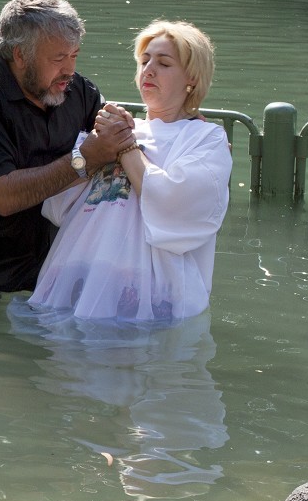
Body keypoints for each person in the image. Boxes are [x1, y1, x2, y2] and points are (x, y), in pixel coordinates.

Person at [26, 20, 232, 322]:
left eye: (163, 63)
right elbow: (58, 206)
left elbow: (178, 205)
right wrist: (91, 149)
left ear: (192, 78)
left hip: (149, 297)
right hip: (74, 283)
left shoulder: (205, 138)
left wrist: (125, 147)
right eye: (144, 61)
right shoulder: (110, 128)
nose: (148, 70)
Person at [0, 0, 132, 294]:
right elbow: (5, 197)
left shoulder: (79, 91)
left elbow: (111, 137)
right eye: (59, 58)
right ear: (20, 55)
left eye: (74, 55)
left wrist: (179, 130)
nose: (70, 70)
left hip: (48, 256)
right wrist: (85, 159)